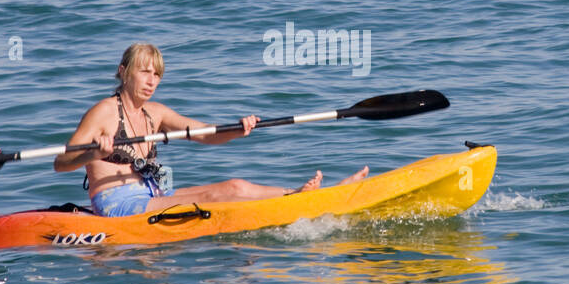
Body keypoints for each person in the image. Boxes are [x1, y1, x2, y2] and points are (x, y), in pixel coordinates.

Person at [54, 43, 368, 217]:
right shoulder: (104, 112)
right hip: (117, 203)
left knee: (235, 186)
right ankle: (302, 203)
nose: (152, 81)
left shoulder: (155, 112)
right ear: (124, 72)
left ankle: (300, 196)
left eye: (157, 75)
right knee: (212, 195)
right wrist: (95, 153)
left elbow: (204, 133)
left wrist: (239, 130)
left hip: (152, 195)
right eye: (144, 72)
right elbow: (61, 163)